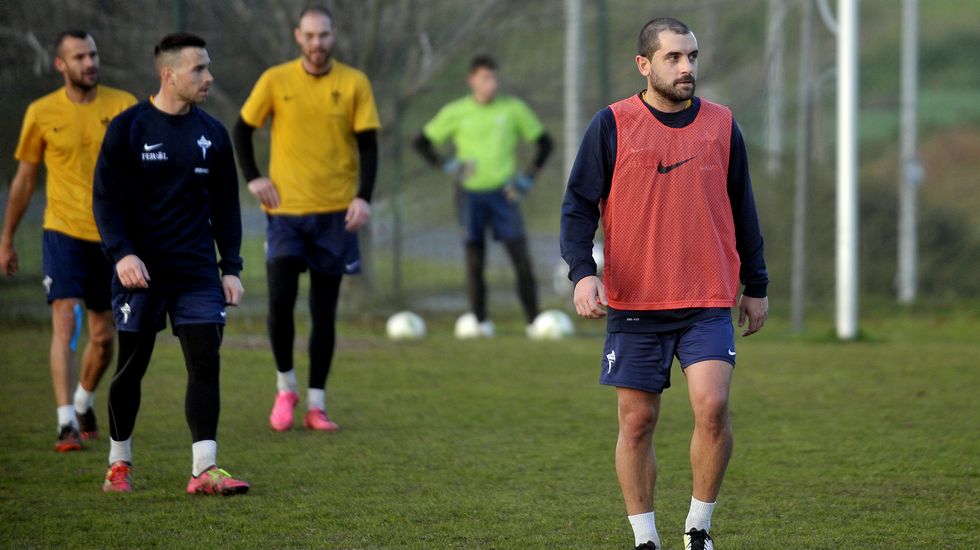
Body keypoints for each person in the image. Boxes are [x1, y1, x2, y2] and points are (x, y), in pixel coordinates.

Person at [560, 18, 769, 550]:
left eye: (692, 57)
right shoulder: (612, 125)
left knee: (713, 407)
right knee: (637, 422)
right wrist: (583, 274)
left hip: (706, 298)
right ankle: (645, 538)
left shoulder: (722, 125)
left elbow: (744, 210)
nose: (686, 68)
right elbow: (577, 209)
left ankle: (698, 528)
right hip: (634, 302)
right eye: (674, 57)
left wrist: (756, 283)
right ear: (644, 64)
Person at [93, 33, 248, 495]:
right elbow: (105, 200)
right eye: (198, 69)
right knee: (132, 367)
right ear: (169, 74)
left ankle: (204, 469)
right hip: (140, 273)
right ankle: (119, 462)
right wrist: (122, 254)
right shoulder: (129, 129)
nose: (208, 77)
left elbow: (227, 209)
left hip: (197, 272)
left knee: (205, 362)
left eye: (208, 67)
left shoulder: (214, 134)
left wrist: (231, 267)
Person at [234, 5, 379, 432]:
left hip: (336, 215)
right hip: (285, 214)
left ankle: (317, 403)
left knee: (324, 310)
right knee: (280, 303)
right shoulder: (275, 80)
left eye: (325, 36)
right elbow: (242, 130)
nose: (318, 44)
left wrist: (363, 198)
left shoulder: (354, 82)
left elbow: (369, 146)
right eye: (310, 36)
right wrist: (254, 178)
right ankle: (285, 388)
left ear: (334, 37)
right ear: (298, 36)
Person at [1, 29, 136, 452]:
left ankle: (83, 400)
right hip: (61, 231)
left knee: (104, 337)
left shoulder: (125, 106)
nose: (89, 63)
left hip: (110, 237)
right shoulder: (41, 112)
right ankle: (65, 423)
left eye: (93, 54)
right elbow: (24, 182)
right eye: (79, 56)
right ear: (61, 64)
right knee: (64, 320)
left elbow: (144, 174)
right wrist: (6, 239)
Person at [413, 55, 552, 337]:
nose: (490, 84)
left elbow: (545, 143)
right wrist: (447, 165)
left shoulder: (512, 109)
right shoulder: (457, 111)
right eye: (484, 78)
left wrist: (527, 178)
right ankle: (479, 323)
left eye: (493, 78)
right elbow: (421, 142)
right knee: (475, 260)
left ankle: (534, 323)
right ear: (472, 80)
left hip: (504, 194)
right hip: (469, 196)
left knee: (520, 257)